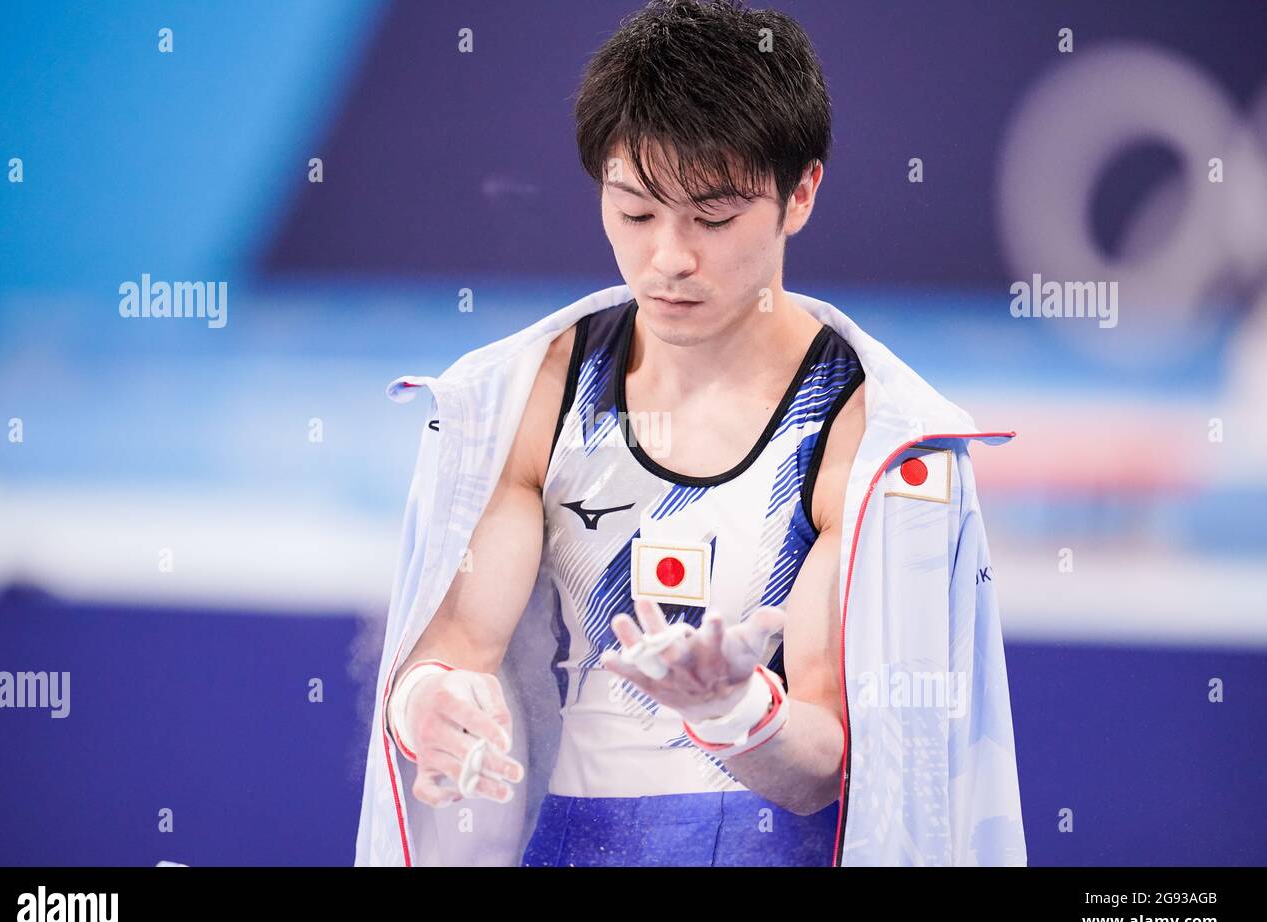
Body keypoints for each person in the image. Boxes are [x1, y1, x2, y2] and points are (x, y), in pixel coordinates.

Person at [356, 0, 1027, 867]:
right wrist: (429, 705)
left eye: (712, 218)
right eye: (635, 213)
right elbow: (452, 648)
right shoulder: (534, 399)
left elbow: (827, 769)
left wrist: (733, 709)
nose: (668, 258)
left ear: (802, 195)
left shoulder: (861, 432)